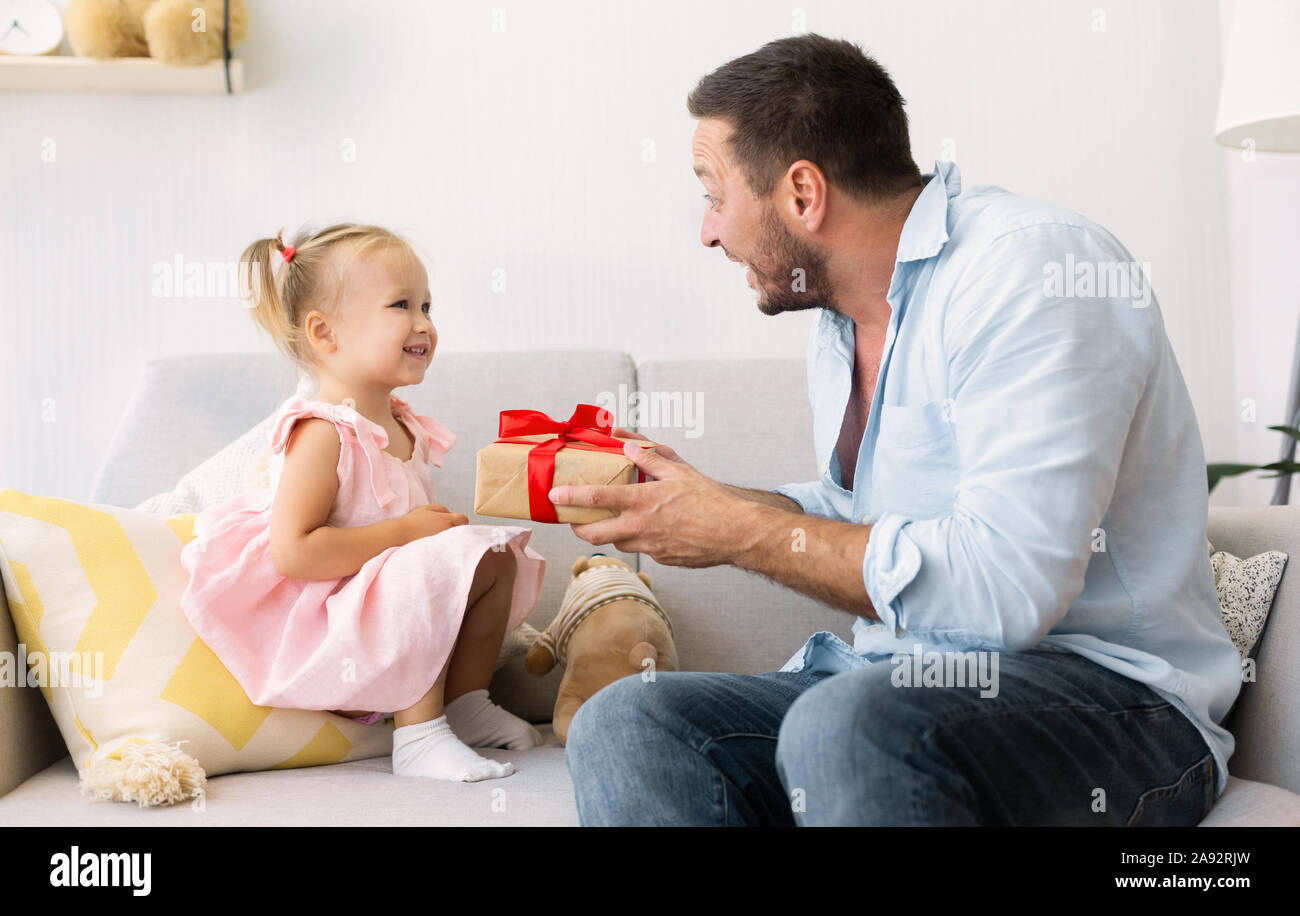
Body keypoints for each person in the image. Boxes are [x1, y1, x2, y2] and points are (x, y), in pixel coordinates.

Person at [552, 34, 1242, 825]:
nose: (708, 231)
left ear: (802, 193)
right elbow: (862, 520)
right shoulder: (844, 323)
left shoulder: (1031, 272)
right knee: (629, 722)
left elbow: (1006, 591)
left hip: (1116, 709)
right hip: (899, 688)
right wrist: (703, 503)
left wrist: (737, 532)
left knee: (847, 721)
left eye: (713, 193)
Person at [179, 223, 547, 783]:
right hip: (328, 638)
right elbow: (295, 554)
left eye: (427, 305)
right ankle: (418, 738)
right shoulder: (322, 433)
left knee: (492, 558)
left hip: (385, 631)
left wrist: (439, 538)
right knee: (431, 559)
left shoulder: (402, 426)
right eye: (401, 305)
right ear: (325, 334)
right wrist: (409, 534)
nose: (424, 322)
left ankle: (463, 705)